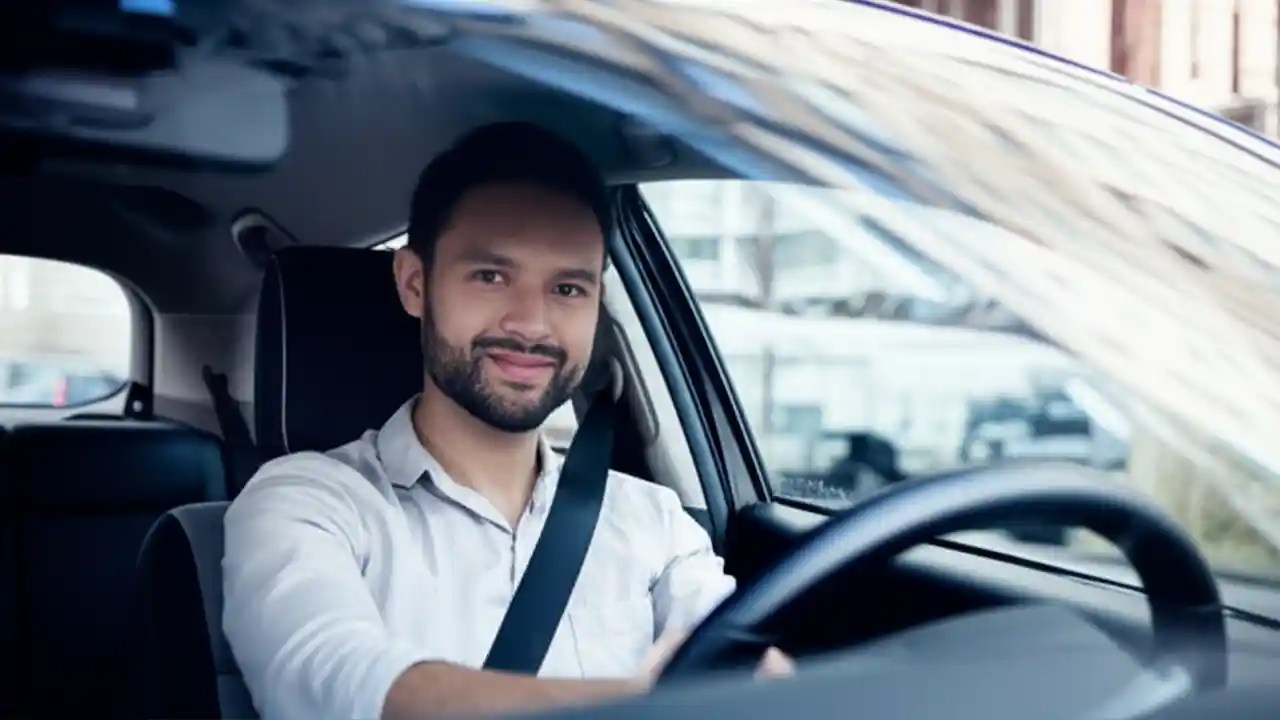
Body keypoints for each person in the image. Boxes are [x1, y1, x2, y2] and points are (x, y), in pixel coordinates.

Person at [223, 122, 792, 720]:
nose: (532, 324)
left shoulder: (655, 524)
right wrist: (649, 704)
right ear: (415, 284)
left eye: (568, 288)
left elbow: (751, 670)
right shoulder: (306, 502)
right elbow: (339, 680)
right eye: (491, 276)